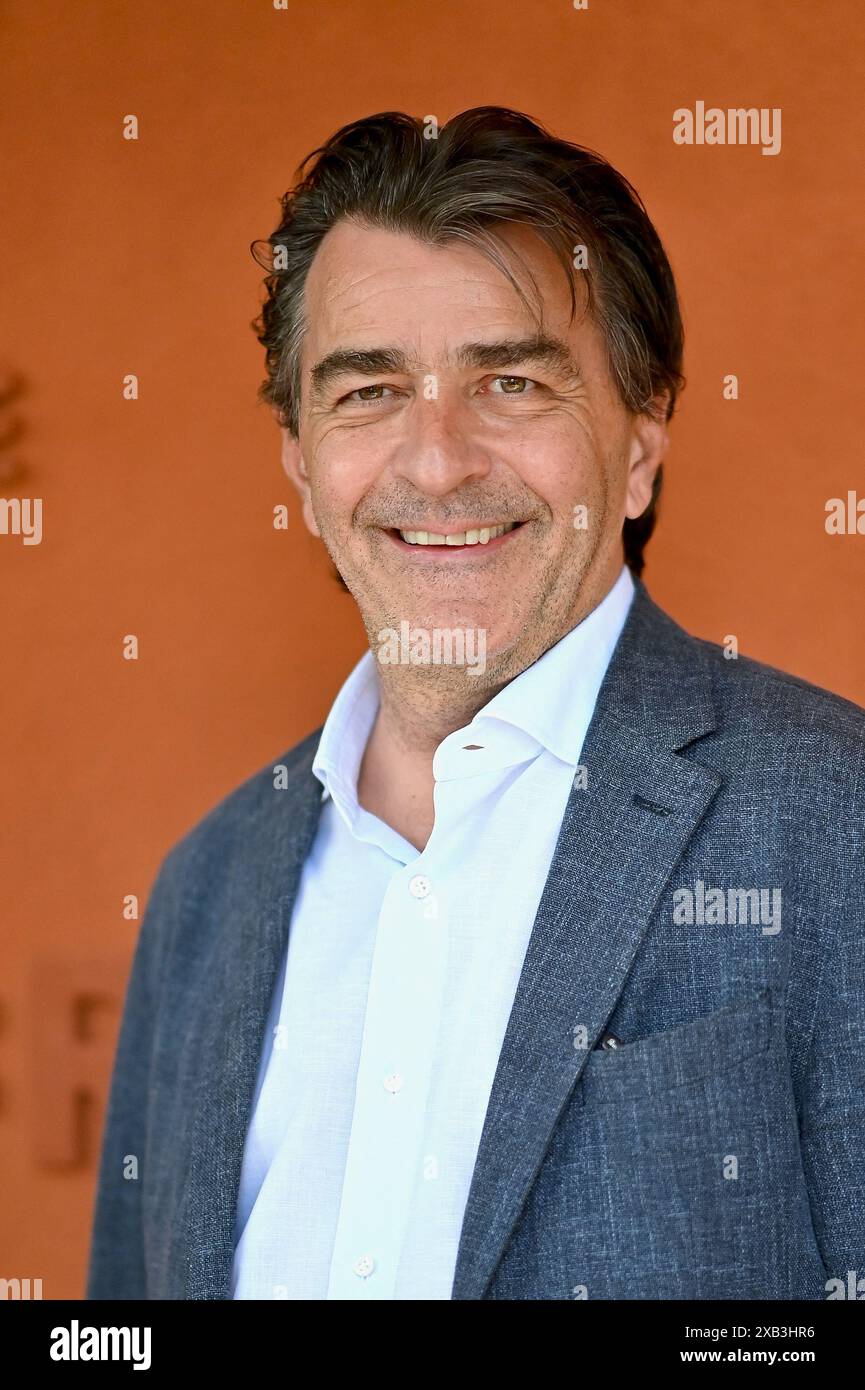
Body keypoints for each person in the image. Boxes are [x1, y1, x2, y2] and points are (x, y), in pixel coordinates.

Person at [87, 107, 865, 1301]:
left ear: (642, 438)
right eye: (368, 392)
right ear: (301, 464)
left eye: (509, 381)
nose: (437, 460)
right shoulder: (202, 891)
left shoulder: (833, 821)